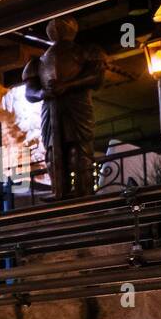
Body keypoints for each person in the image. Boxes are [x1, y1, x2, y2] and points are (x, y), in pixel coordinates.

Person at [23, 17, 105, 199]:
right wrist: (44, 93)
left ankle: (83, 191)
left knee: (79, 149)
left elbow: (96, 76)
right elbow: (30, 92)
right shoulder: (38, 62)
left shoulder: (86, 52)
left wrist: (68, 85)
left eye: (63, 23)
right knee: (53, 152)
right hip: (50, 107)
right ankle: (59, 190)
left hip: (77, 104)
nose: (57, 27)